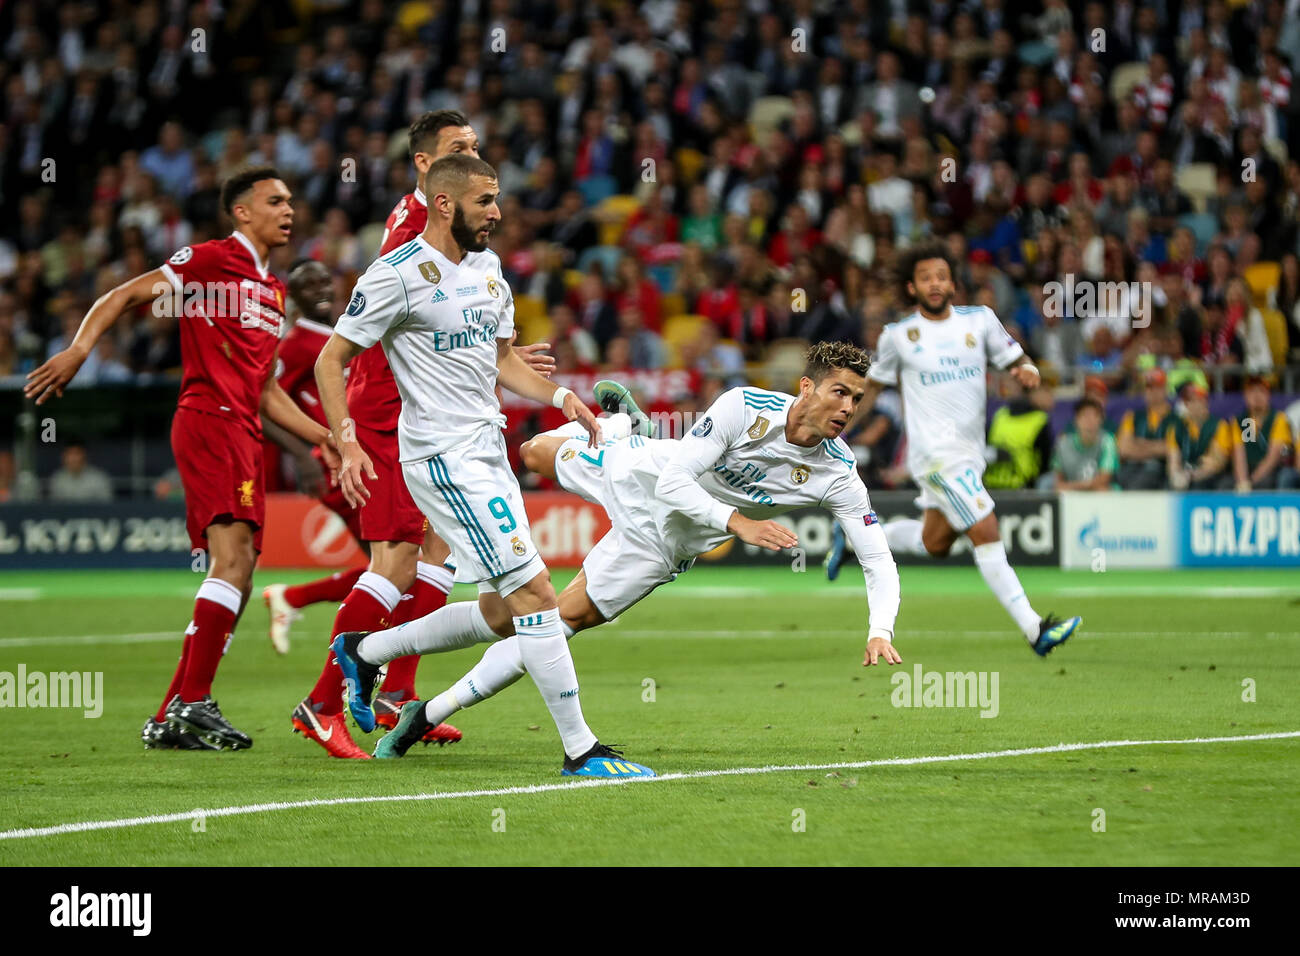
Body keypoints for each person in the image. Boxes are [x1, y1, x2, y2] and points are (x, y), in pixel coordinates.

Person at [332, 343, 902, 759]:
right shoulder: (742, 406)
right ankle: (623, 429)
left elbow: (877, 557)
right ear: (807, 388)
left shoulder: (837, 474)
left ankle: (425, 712)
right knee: (531, 451)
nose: (849, 406)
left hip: (659, 546)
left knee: (546, 625)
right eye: (839, 391)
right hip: (642, 475)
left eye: (857, 396)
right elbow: (679, 481)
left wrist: (882, 629)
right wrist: (737, 521)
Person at [319, 153, 653, 778]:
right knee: (536, 594)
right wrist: (349, 440)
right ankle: (581, 749)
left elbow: (501, 361)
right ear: (444, 204)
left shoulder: (490, 270)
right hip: (441, 458)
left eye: (497, 199)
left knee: (505, 612)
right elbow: (330, 359)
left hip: (487, 451)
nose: (498, 213)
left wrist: (560, 396)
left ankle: (365, 652)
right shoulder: (396, 275)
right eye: (486, 201)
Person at [26, 166, 340, 751]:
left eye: (291, 200)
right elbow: (124, 294)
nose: (289, 209)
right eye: (274, 201)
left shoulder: (272, 292)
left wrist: (328, 437)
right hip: (208, 422)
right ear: (242, 212)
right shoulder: (211, 260)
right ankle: (191, 703)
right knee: (231, 561)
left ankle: (174, 713)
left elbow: (267, 390)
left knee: (241, 575)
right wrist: (79, 349)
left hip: (244, 429)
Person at [291, 111, 549, 758]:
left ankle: (396, 695)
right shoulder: (419, 232)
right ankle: (321, 703)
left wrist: (496, 356)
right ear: (428, 168)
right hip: (394, 408)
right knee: (398, 560)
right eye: (459, 149)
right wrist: (347, 434)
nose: (475, 157)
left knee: (441, 556)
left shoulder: (444, 229)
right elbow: (375, 326)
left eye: (477, 146)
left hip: (427, 410)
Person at [858, 242, 1080, 656]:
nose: (935, 284)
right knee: (985, 528)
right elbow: (871, 388)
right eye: (926, 278)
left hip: (969, 456)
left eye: (941, 276)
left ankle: (858, 539)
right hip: (935, 458)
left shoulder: (980, 322)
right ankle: (1036, 630)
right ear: (912, 287)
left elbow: (1017, 360)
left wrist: (1028, 370)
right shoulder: (898, 337)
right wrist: (839, 428)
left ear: (953, 283)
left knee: (935, 544)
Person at [258, 259, 367, 662]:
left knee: (397, 565)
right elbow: (265, 404)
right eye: (309, 285)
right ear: (294, 298)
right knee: (398, 564)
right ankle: (358, 660)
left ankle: (293, 598)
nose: (321, 289)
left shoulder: (340, 334)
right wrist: (303, 453)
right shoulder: (295, 344)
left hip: (360, 457)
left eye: (326, 281)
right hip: (335, 465)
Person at [1230, 376, 1299, 491]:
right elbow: (1239, 454)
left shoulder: (1278, 419)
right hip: (1249, 469)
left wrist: (1251, 482)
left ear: (1268, 396)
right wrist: (1242, 481)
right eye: (1252, 391)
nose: (1257, 396)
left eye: (1261, 391)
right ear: (1245, 396)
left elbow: (1272, 457)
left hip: (1271, 471)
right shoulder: (1241, 421)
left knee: (1267, 483)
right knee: (1226, 484)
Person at [1116, 368, 1177, 489]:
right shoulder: (1132, 417)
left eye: (1157, 387)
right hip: (1132, 467)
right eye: (1149, 387)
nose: (1152, 391)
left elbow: (1172, 449)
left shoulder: (1177, 419)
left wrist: (1140, 444)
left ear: (1165, 389)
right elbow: (1123, 449)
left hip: (1162, 469)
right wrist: (1157, 447)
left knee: (1147, 475)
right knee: (1118, 478)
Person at [1167, 383, 1233, 490]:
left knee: (1200, 486)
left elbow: (1217, 462)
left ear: (1206, 403)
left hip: (1209, 476)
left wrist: (1191, 476)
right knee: (1170, 485)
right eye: (1190, 401)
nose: (1195, 405)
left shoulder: (1218, 425)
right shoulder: (1177, 427)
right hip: (1185, 472)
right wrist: (1176, 475)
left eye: (1199, 400)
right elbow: (1173, 458)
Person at [1050, 398, 1119, 490]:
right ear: (1076, 420)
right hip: (1073, 493)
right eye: (1085, 416)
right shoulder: (1063, 444)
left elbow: (1103, 479)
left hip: (1100, 492)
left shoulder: (1108, 441)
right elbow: (1058, 480)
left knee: (1102, 490)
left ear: (1101, 420)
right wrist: (1066, 487)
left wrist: (1070, 487)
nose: (1090, 421)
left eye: (1095, 416)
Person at [47, 442, 114, 501]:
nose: (73, 459)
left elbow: (107, 507)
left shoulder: (99, 478)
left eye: (77, 454)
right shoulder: (57, 478)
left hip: (93, 515)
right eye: (69, 454)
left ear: (84, 455)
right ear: (63, 457)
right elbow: (54, 508)